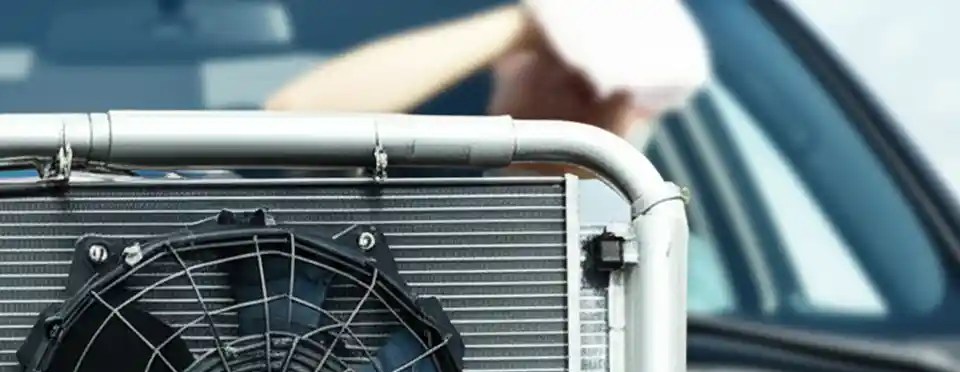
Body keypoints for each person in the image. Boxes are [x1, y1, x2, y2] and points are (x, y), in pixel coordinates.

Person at [267, 0, 711, 152]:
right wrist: (525, 23)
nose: (566, 78)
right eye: (543, 52)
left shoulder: (653, 230)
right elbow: (290, 124)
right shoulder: (449, 222)